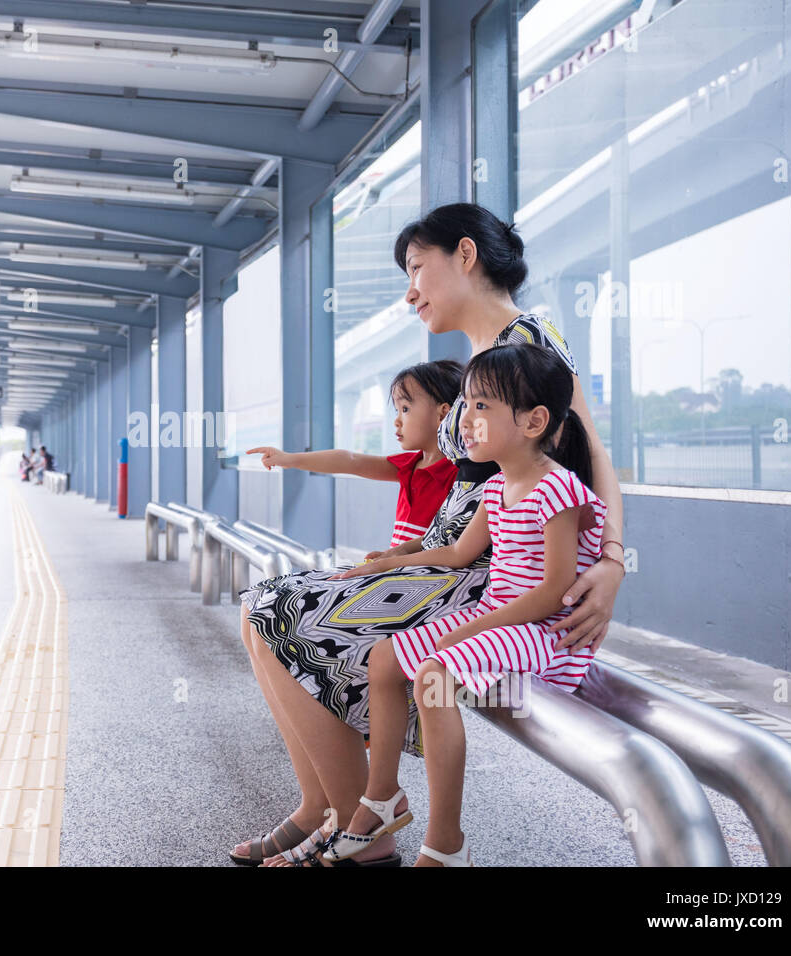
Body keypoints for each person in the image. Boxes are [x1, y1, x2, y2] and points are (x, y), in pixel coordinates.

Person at [232, 202, 626, 868]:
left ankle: (359, 823)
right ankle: (326, 807)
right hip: (447, 561)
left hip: (489, 579)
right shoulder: (484, 357)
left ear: (464, 256)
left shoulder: (527, 345)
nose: (410, 291)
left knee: (270, 609)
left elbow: (596, 456)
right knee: (261, 612)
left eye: (417, 269)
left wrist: (612, 560)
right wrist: (407, 551)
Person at [310, 343, 608, 867]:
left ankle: (446, 842)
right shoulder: (496, 486)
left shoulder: (557, 489)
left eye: (483, 407)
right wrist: (388, 564)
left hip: (546, 633)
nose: (466, 420)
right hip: (497, 618)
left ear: (535, 420)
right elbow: (455, 553)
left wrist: (469, 630)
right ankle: (381, 798)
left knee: (432, 672)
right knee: (384, 659)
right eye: (466, 405)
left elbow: (553, 590)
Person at [228, 359, 461, 866]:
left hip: (417, 589)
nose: (396, 421)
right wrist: (290, 459)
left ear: (445, 412)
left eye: (405, 408)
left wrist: (400, 556)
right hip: (397, 579)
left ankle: (350, 816)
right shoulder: (411, 464)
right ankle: (321, 807)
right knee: (254, 613)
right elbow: (351, 459)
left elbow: (454, 549)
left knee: (280, 618)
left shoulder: (464, 471)